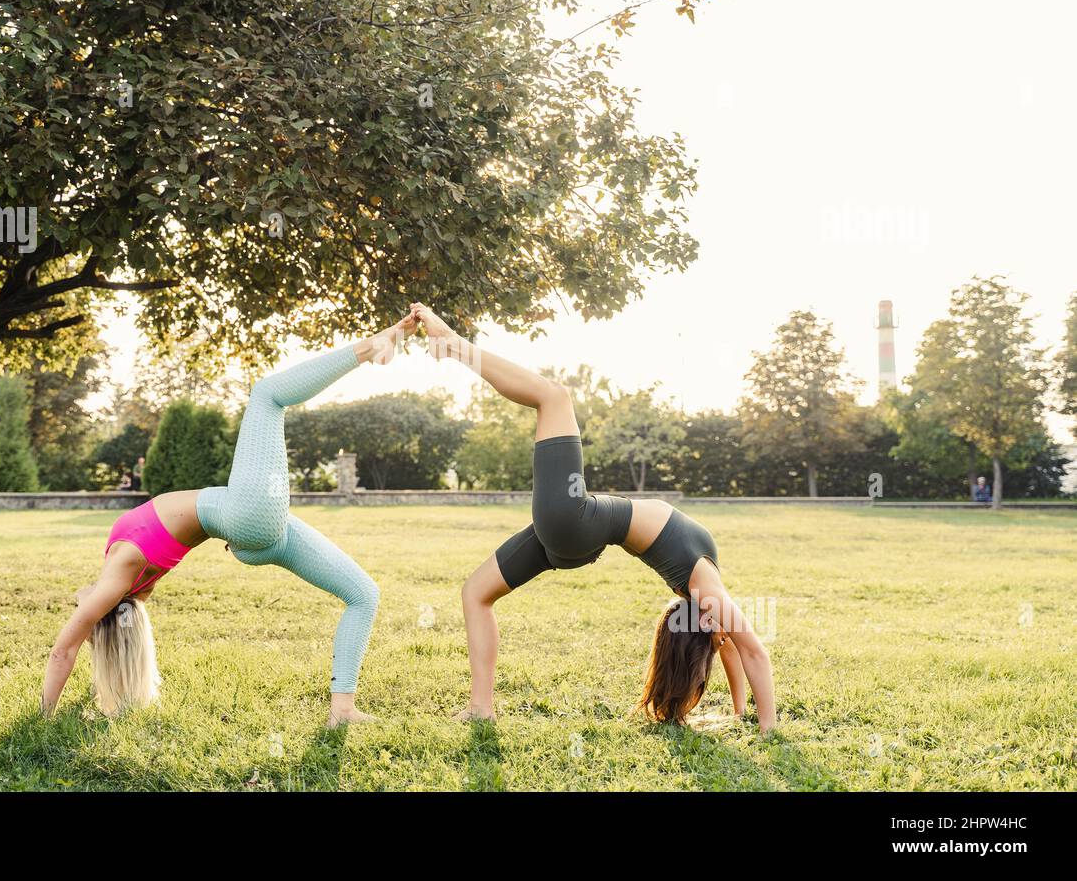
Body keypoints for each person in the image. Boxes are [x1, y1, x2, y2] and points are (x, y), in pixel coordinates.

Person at [409, 303, 777, 733]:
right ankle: (481, 707)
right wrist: (738, 712)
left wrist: (767, 727)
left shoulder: (705, 591)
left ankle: (452, 345)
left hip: (576, 518)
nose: (724, 631)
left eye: (717, 630)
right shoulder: (705, 599)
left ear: (706, 622)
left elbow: (752, 652)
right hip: (571, 537)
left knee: (555, 396)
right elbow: (731, 648)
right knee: (475, 593)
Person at [41, 315, 415, 726]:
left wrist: (101, 648)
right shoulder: (120, 574)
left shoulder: (132, 592)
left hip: (253, 532)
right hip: (247, 515)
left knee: (364, 594)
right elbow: (64, 650)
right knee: (268, 395)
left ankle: (342, 710)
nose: (75, 603)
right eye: (86, 611)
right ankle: (372, 346)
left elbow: (115, 626)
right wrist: (43, 718)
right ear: (101, 610)